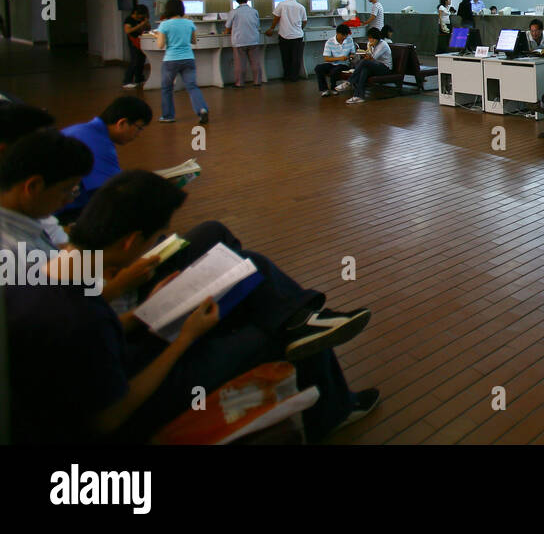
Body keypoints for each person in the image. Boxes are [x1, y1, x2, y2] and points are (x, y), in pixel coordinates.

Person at [3, 170, 379, 444]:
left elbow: (92, 349)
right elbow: (109, 419)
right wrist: (185, 339)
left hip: (114, 362)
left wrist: (143, 309)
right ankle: (327, 411)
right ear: (132, 241)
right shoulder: (82, 316)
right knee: (272, 333)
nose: (159, 242)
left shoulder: (43, 277)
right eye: (155, 238)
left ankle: (305, 331)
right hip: (132, 404)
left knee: (261, 291)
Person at [55, 96, 152, 224]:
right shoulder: (97, 142)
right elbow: (111, 190)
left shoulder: (85, 130)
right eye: (139, 128)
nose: (138, 135)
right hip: (60, 213)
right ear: (122, 123)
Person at [0, 127, 92, 254]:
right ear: (34, 186)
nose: (69, 200)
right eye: (66, 190)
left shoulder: (29, 217)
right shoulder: (13, 249)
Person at [153, 0, 209, 125]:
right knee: (192, 87)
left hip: (171, 60)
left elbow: (160, 45)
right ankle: (202, 109)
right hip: (188, 58)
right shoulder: (189, 23)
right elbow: (193, 41)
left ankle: (168, 116)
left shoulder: (164, 25)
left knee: (167, 88)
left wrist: (157, 36)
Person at [266, 0, 308, 82]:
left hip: (284, 35)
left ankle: (287, 76)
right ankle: (295, 77)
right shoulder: (301, 6)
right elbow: (304, 21)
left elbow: (276, 18)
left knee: (286, 57)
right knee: (296, 58)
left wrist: (272, 28)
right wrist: (299, 29)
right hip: (297, 36)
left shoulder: (282, 5)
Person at [342, 27, 392, 105]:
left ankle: (349, 81)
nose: (371, 41)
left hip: (385, 68)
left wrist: (369, 48)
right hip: (375, 66)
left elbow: (372, 58)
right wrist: (367, 52)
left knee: (365, 63)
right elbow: (369, 58)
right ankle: (358, 96)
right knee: (364, 70)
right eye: (369, 38)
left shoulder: (383, 45)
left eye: (373, 39)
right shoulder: (370, 43)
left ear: (378, 39)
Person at [224, 0, 263, 88]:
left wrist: (225, 32)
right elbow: (257, 25)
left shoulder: (233, 12)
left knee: (240, 64)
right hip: (253, 39)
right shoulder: (254, 11)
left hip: (239, 41)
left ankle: (239, 83)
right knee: (255, 62)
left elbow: (228, 28)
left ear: (236, 0)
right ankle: (257, 82)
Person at [316, 24, 356, 97]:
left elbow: (353, 53)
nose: (344, 37)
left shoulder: (349, 40)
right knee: (319, 68)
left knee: (334, 71)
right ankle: (324, 89)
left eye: (346, 35)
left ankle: (333, 88)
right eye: (342, 35)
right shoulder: (330, 42)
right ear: (337, 33)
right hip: (333, 63)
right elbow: (326, 58)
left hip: (344, 64)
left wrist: (351, 56)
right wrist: (339, 58)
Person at [122, 5, 151, 89]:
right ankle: (127, 80)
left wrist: (146, 23)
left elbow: (148, 28)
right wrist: (140, 25)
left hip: (141, 40)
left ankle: (139, 78)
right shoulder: (129, 20)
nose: (141, 16)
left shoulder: (142, 19)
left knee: (141, 59)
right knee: (134, 60)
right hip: (133, 41)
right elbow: (128, 30)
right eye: (141, 14)